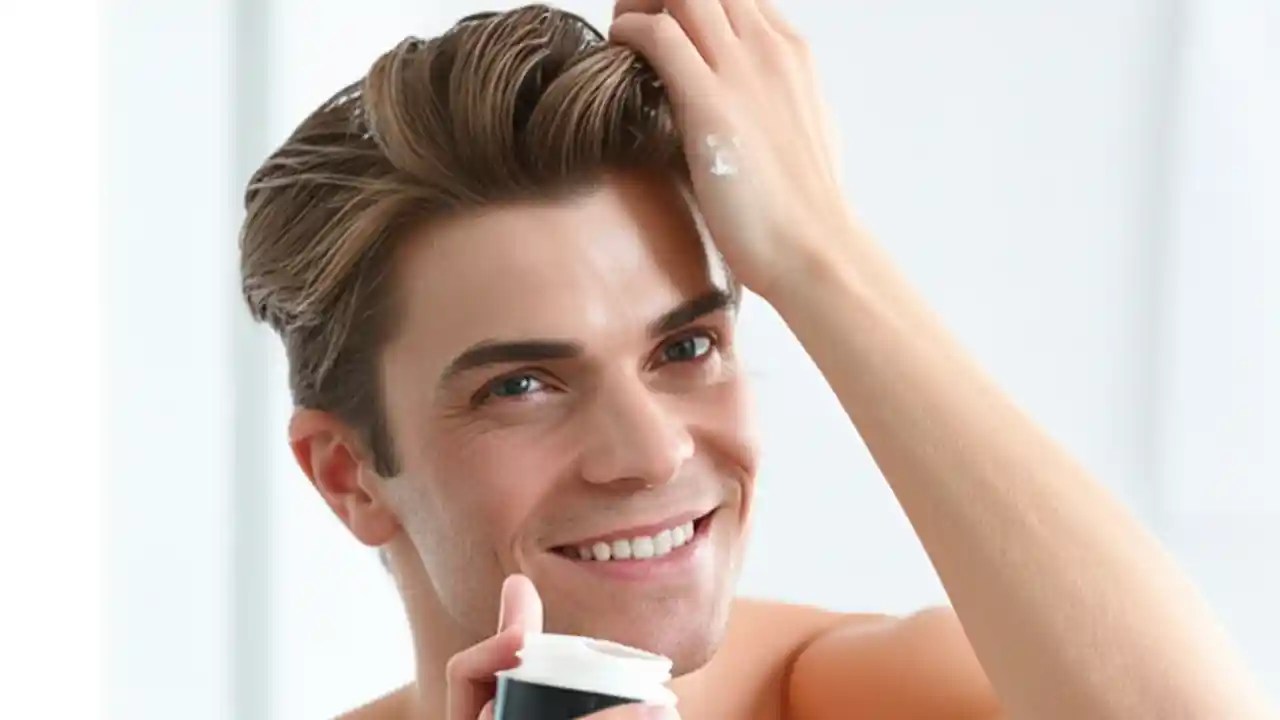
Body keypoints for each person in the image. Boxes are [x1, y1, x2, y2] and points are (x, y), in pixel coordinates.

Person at [238, 2, 1275, 719]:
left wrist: (813, 249)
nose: (646, 453)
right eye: (520, 385)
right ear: (347, 474)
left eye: (685, 346)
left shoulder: (838, 694)